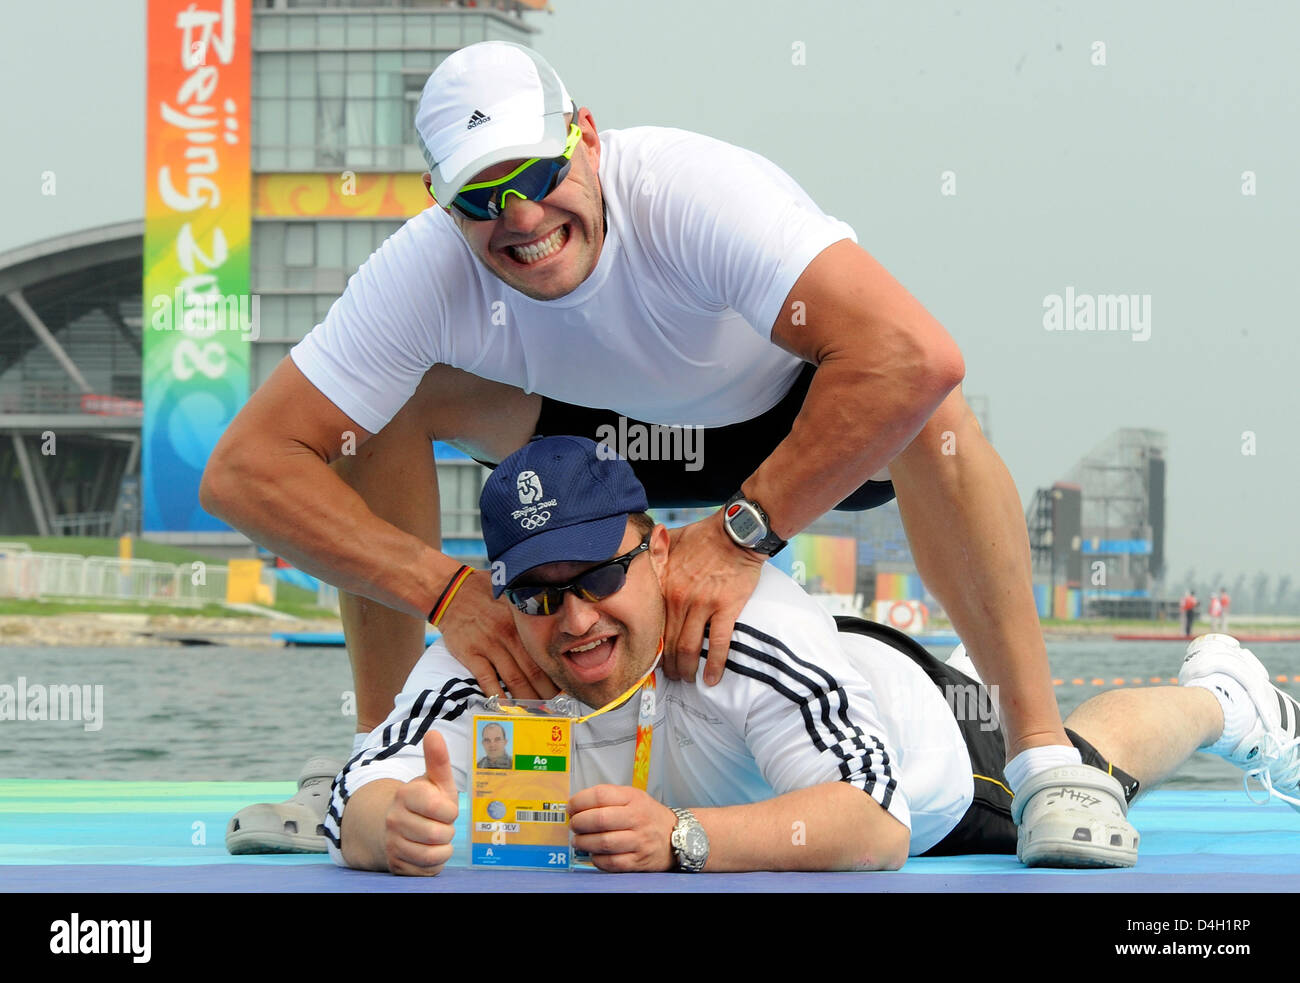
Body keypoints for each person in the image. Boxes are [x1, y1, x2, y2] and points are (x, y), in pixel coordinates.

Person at [204, 41, 1105, 862]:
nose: (519, 216)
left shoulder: (694, 192)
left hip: (776, 416)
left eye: (538, 172)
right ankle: (391, 761)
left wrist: (744, 532)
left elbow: (916, 353)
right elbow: (245, 469)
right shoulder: (422, 268)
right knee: (377, 403)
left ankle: (1040, 756)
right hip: (581, 433)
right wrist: (442, 589)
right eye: (481, 197)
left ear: (586, 138)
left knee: (933, 404)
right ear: (442, 205)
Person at [326, 437, 1300, 875]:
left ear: (655, 551)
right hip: (827, 696)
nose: (572, 618)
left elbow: (873, 824)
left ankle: (1227, 699)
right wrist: (389, 826)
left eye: (595, 577)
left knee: (1093, 762)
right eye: (539, 591)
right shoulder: (485, 652)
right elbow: (355, 790)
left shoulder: (747, 636)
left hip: (923, 759)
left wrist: (683, 840)